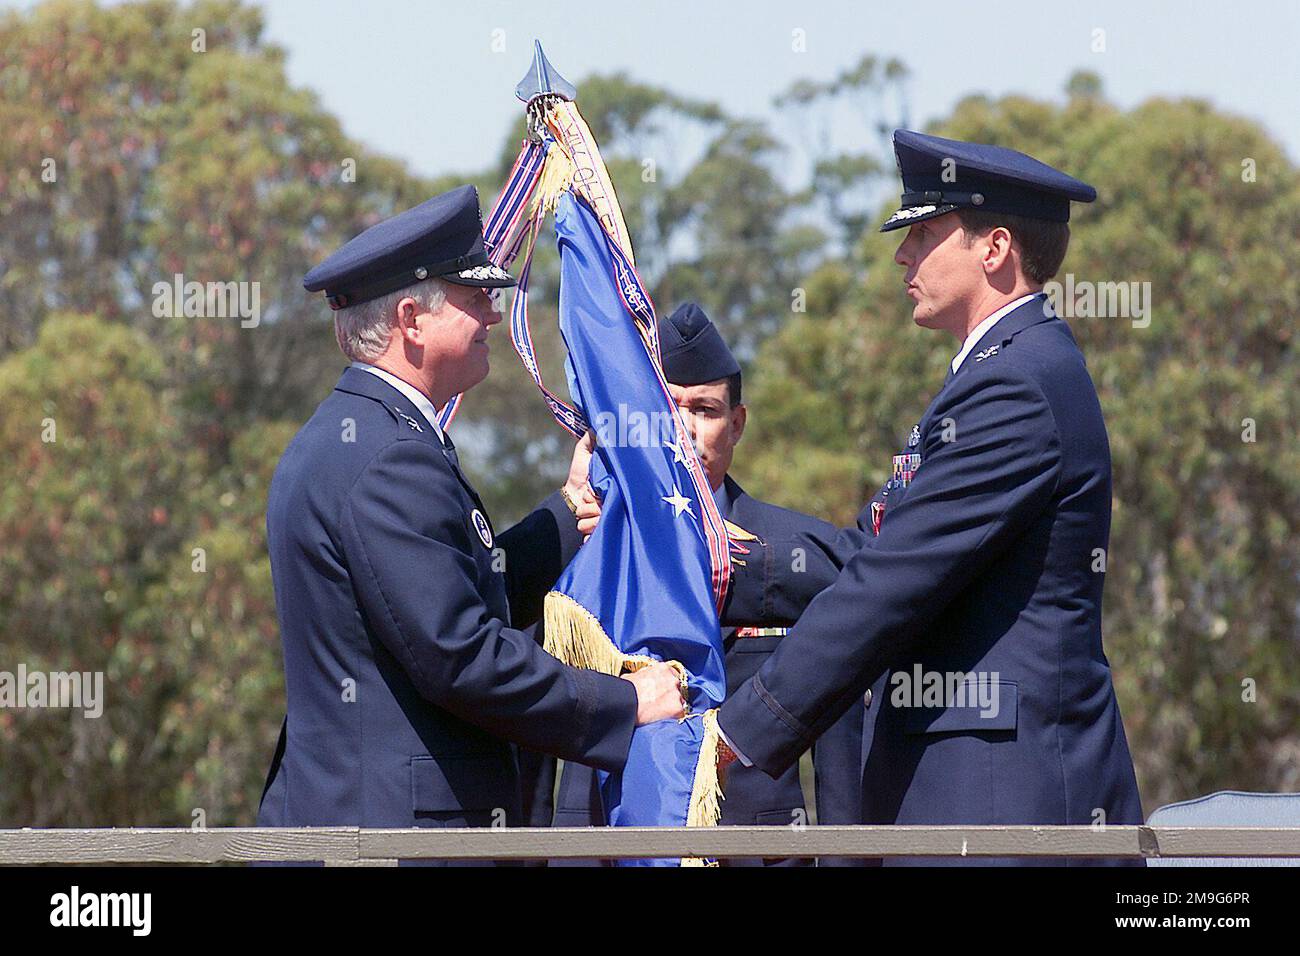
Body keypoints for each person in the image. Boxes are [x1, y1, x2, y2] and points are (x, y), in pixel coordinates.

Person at [716, 130, 1144, 866]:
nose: (902, 256)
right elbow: (873, 553)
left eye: (925, 233)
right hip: (973, 796)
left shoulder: (1014, 386)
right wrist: (720, 557)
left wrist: (736, 734)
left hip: (1001, 804)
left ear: (994, 247)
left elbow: (891, 583)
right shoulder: (1002, 372)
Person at [256, 185, 684, 862]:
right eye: (473, 295)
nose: (494, 312)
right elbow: (459, 654)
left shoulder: (354, 436)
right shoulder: (390, 456)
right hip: (400, 840)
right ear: (410, 319)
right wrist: (625, 702)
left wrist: (566, 516)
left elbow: (440, 597)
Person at [527, 302, 866, 867]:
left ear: (736, 425)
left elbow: (841, 744)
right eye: (666, 408)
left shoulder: (797, 550)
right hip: (598, 847)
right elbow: (531, 719)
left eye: (705, 409)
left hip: (756, 852)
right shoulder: (588, 548)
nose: (683, 428)